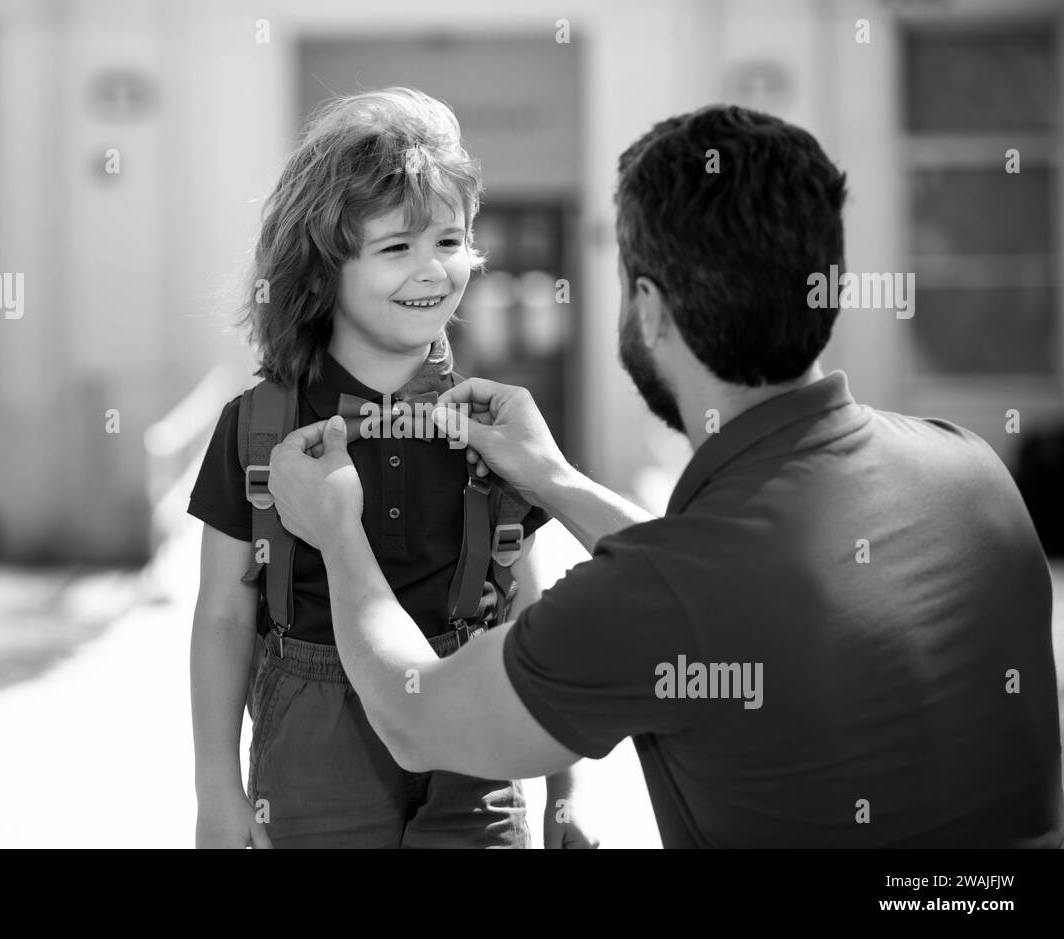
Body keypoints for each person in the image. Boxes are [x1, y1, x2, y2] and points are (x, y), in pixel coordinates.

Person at [266, 104, 1064, 848]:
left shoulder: (658, 597)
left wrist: (338, 530)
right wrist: (553, 478)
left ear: (649, 308)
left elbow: (414, 716)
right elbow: (741, 593)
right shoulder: (974, 471)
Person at [187, 87, 595, 848]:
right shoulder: (257, 426)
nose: (431, 270)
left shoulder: (496, 424)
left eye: (448, 240)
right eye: (395, 247)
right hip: (313, 751)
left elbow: (526, 608)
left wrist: (565, 792)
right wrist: (217, 791)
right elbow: (221, 616)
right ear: (322, 270)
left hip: (476, 737)